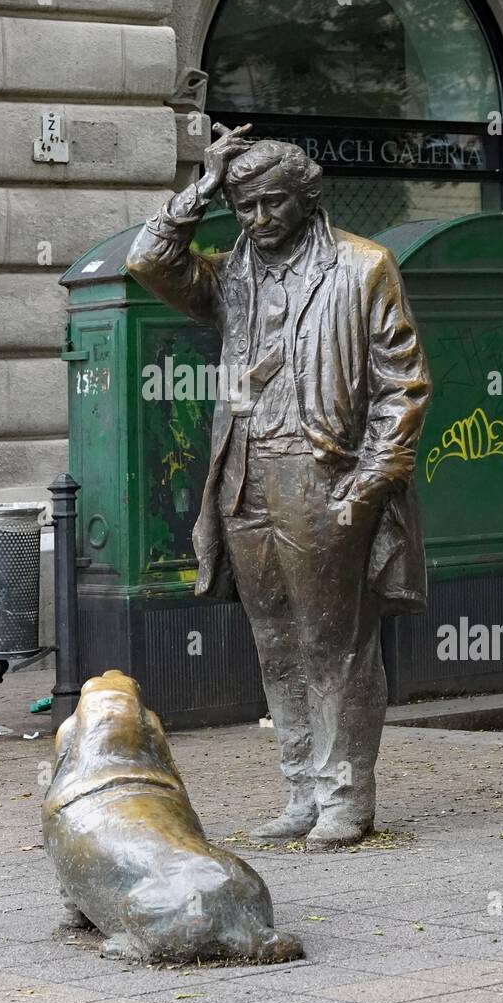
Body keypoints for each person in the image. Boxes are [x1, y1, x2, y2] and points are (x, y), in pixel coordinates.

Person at [126, 125, 431, 851]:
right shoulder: (231, 271)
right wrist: (200, 189)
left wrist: (369, 479)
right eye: (242, 207)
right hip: (244, 474)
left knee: (337, 642)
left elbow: (403, 385)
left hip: (323, 475)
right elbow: (148, 260)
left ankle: (345, 797)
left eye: (271, 205)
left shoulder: (362, 268)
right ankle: (300, 789)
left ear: (305, 200)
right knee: (275, 642)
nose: (257, 221)